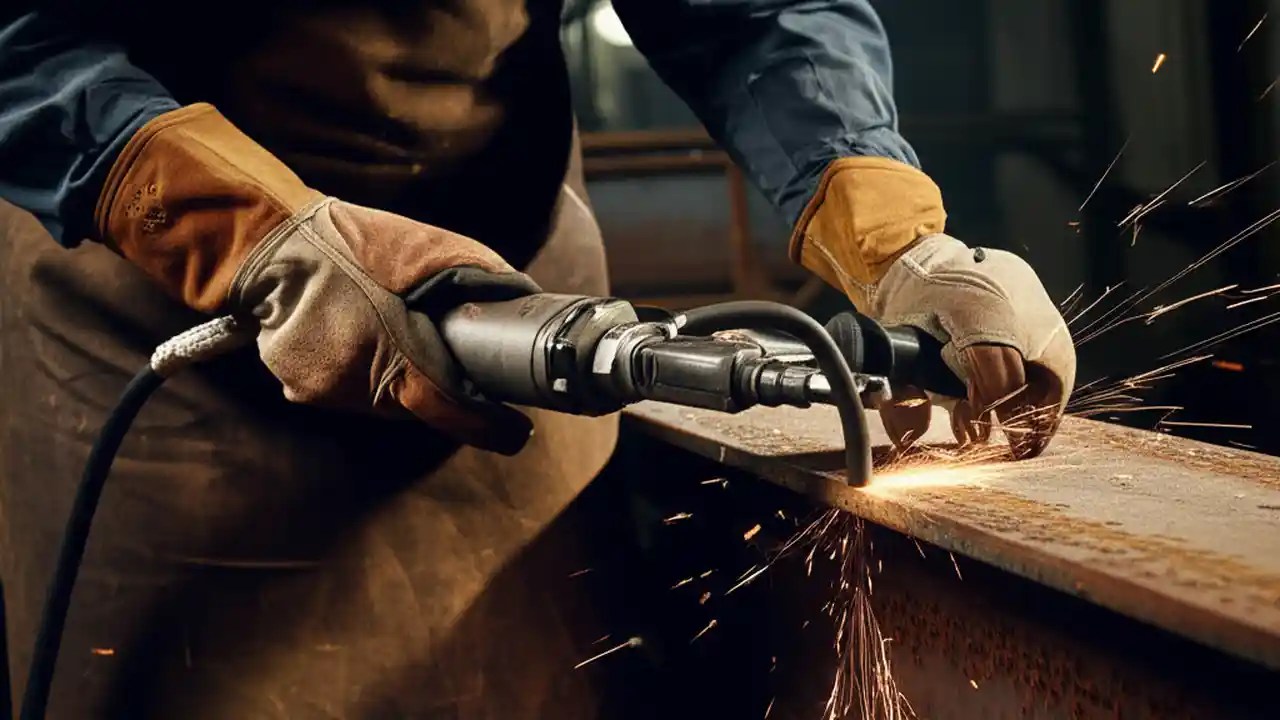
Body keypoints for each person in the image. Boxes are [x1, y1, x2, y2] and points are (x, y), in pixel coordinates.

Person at [0, 0, 1074, 717]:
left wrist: (894, 237)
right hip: (154, 308)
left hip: (516, 283)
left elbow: (750, 8)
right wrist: (253, 235)